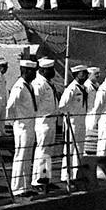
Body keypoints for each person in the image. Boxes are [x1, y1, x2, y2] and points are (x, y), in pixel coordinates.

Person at [6, 59, 39, 195]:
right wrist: (14, 121)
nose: (35, 74)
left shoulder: (28, 86)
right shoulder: (19, 87)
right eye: (32, 71)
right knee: (21, 155)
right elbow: (10, 106)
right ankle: (17, 188)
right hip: (22, 126)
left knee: (27, 156)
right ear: (25, 71)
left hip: (30, 125)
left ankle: (26, 187)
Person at [31, 57, 62, 186]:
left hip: (51, 120)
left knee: (48, 151)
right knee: (42, 150)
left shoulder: (48, 83)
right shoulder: (39, 84)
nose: (52, 71)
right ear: (43, 70)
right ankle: (37, 180)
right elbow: (35, 104)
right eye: (50, 69)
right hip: (43, 121)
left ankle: (45, 178)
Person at [58, 64, 91, 181]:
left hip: (81, 119)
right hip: (72, 120)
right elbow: (62, 106)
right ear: (77, 74)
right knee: (70, 148)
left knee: (79, 147)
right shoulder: (72, 89)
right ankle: (66, 175)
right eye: (83, 73)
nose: (86, 75)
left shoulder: (83, 88)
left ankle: (77, 173)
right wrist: (69, 114)